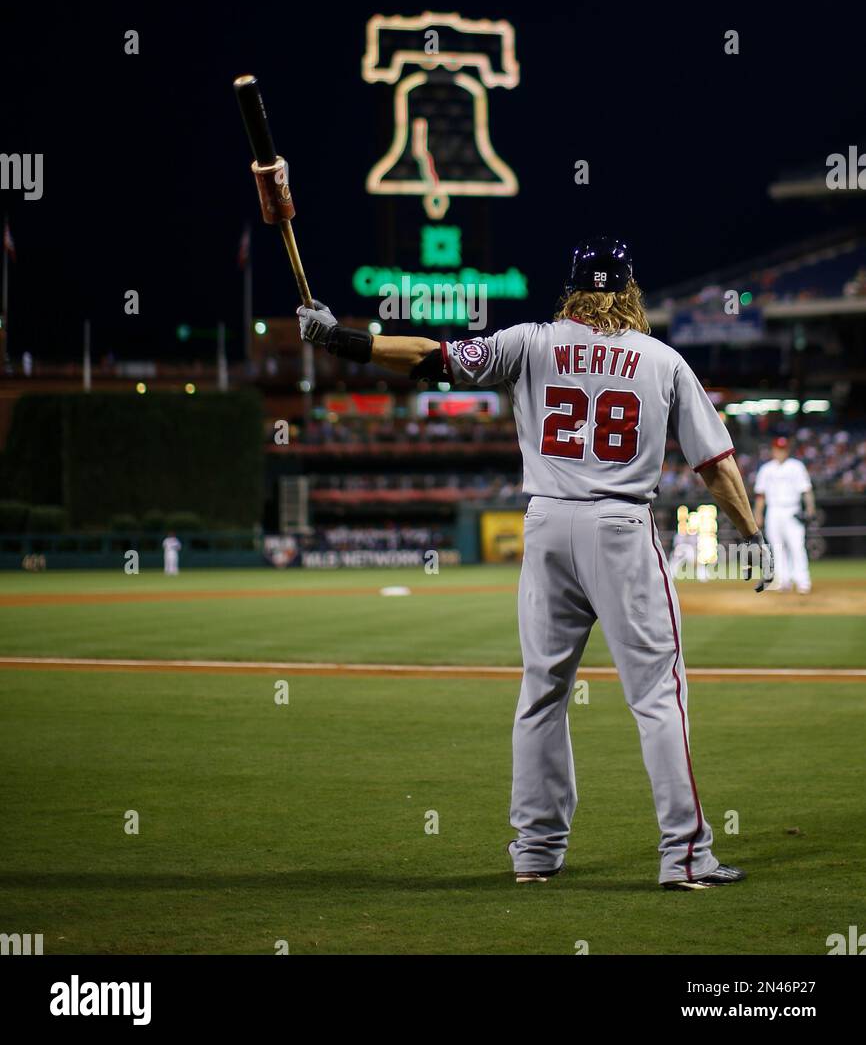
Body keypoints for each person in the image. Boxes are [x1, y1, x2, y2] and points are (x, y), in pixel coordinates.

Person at [297, 236, 774, 891]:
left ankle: (536, 854)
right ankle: (685, 857)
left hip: (547, 523)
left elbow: (428, 359)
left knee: (542, 694)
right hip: (619, 527)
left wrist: (340, 339)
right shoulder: (661, 360)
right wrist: (752, 531)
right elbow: (715, 466)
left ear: (571, 289)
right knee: (658, 697)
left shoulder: (531, 342)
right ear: (628, 291)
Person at [754, 437, 815, 594]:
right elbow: (760, 495)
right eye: (777, 449)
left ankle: (803, 582)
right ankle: (783, 580)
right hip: (773, 510)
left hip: (792, 510)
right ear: (773, 450)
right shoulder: (766, 469)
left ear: (787, 450)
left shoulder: (796, 466)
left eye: (783, 449)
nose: (780, 452)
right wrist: (758, 515)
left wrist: (810, 508)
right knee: (777, 548)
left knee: (797, 546)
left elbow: (806, 490)